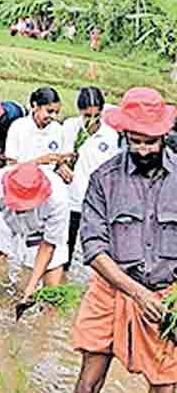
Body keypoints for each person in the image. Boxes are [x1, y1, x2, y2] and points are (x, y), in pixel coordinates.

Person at [66, 87, 177, 393]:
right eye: (135, 141)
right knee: (86, 385)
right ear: (124, 135)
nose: (143, 150)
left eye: (151, 142)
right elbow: (94, 248)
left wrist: (160, 298)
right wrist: (136, 292)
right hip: (112, 291)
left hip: (165, 300)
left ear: (164, 135)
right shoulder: (104, 179)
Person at [0, 163, 70, 322]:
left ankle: (43, 339)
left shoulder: (58, 197)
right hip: (7, 224)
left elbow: (48, 246)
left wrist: (30, 288)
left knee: (52, 300)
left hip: (42, 231)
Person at [66, 87, 118, 267]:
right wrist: (62, 165)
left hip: (96, 204)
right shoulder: (69, 127)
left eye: (96, 116)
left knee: (97, 250)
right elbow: (57, 158)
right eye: (87, 116)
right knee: (64, 248)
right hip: (70, 200)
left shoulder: (110, 136)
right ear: (79, 111)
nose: (92, 121)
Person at [3, 88, 73, 179]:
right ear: (35, 106)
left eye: (57, 112)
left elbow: (62, 159)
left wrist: (63, 166)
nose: (53, 116)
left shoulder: (59, 130)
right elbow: (12, 166)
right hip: (20, 182)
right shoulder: (18, 127)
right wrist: (39, 161)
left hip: (48, 184)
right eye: (49, 111)